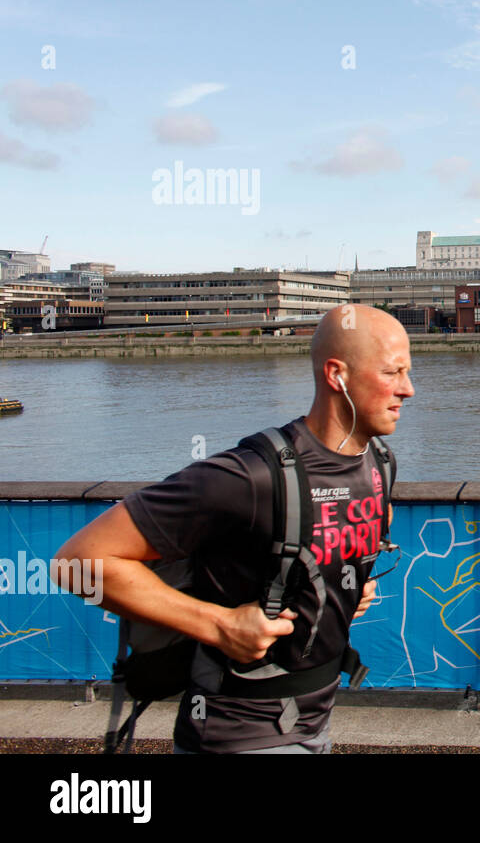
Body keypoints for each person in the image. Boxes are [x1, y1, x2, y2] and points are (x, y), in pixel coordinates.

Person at [54, 304, 414, 753]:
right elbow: (75, 563)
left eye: (408, 373)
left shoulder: (379, 464)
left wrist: (343, 586)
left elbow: (326, 547)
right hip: (238, 733)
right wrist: (219, 623)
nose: (409, 389)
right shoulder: (250, 477)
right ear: (336, 375)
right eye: (393, 372)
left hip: (317, 718)